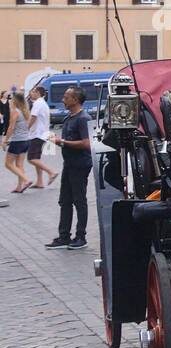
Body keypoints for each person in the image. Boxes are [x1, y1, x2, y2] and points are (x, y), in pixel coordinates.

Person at [46, 86, 93, 250]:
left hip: (80, 165)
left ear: (75, 100)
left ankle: (81, 236)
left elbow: (87, 143)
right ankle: (64, 236)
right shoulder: (69, 118)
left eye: (66, 97)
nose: (62, 100)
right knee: (65, 200)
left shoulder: (83, 118)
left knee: (79, 201)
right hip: (69, 164)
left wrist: (63, 142)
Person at [27, 84, 56, 189]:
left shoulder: (38, 103)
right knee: (36, 158)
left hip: (37, 134)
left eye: (33, 92)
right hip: (42, 133)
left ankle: (51, 172)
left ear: (38, 93)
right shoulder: (42, 103)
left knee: (31, 158)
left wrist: (26, 128)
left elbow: (33, 117)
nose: (31, 93)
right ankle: (39, 181)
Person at [4, 89, 33, 193]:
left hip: (17, 141)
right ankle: (19, 187)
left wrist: (5, 140)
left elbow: (11, 127)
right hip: (26, 140)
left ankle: (26, 180)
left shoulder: (15, 112)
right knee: (19, 165)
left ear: (15, 101)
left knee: (8, 164)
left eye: (12, 99)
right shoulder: (25, 111)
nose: (11, 100)